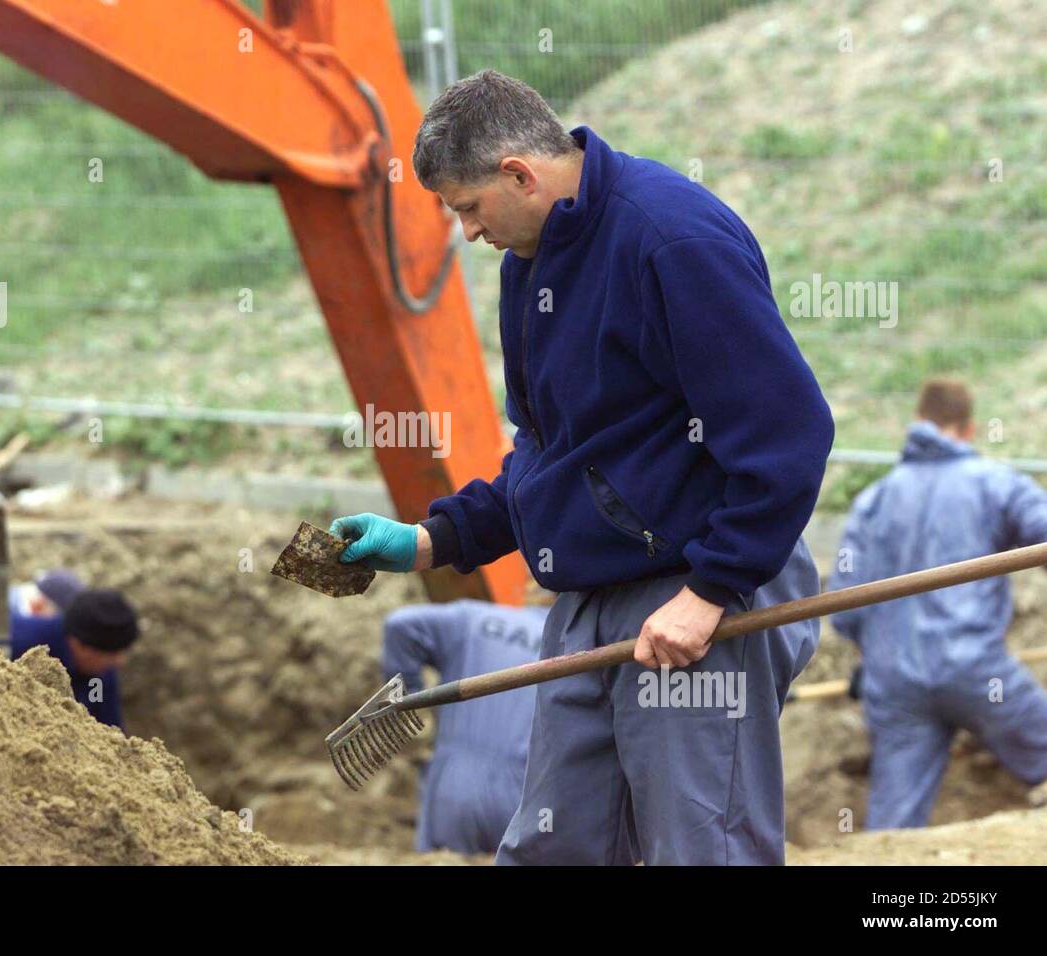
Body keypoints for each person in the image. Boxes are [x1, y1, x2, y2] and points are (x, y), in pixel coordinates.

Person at [329, 70, 833, 865]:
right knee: (551, 847)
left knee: (702, 847)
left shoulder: (671, 239)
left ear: (519, 176)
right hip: (590, 601)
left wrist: (709, 592)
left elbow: (789, 430)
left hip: (697, 597)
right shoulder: (529, 267)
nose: (467, 232)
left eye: (468, 208)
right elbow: (551, 455)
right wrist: (433, 539)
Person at [829, 378, 1047, 828]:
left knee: (892, 830)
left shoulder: (873, 500)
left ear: (917, 423)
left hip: (893, 684)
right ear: (968, 430)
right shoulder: (994, 482)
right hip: (977, 671)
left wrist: (874, 656)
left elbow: (845, 607)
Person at [383, 593, 549, 854]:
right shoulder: (576, 647)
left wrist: (412, 707)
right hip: (524, 795)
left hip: (453, 781)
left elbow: (399, 624)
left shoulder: (472, 618)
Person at [8, 569, 140, 729]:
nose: (120, 661)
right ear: (80, 646)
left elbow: (106, 728)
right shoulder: (18, 643)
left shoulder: (97, 679)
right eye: (113, 654)